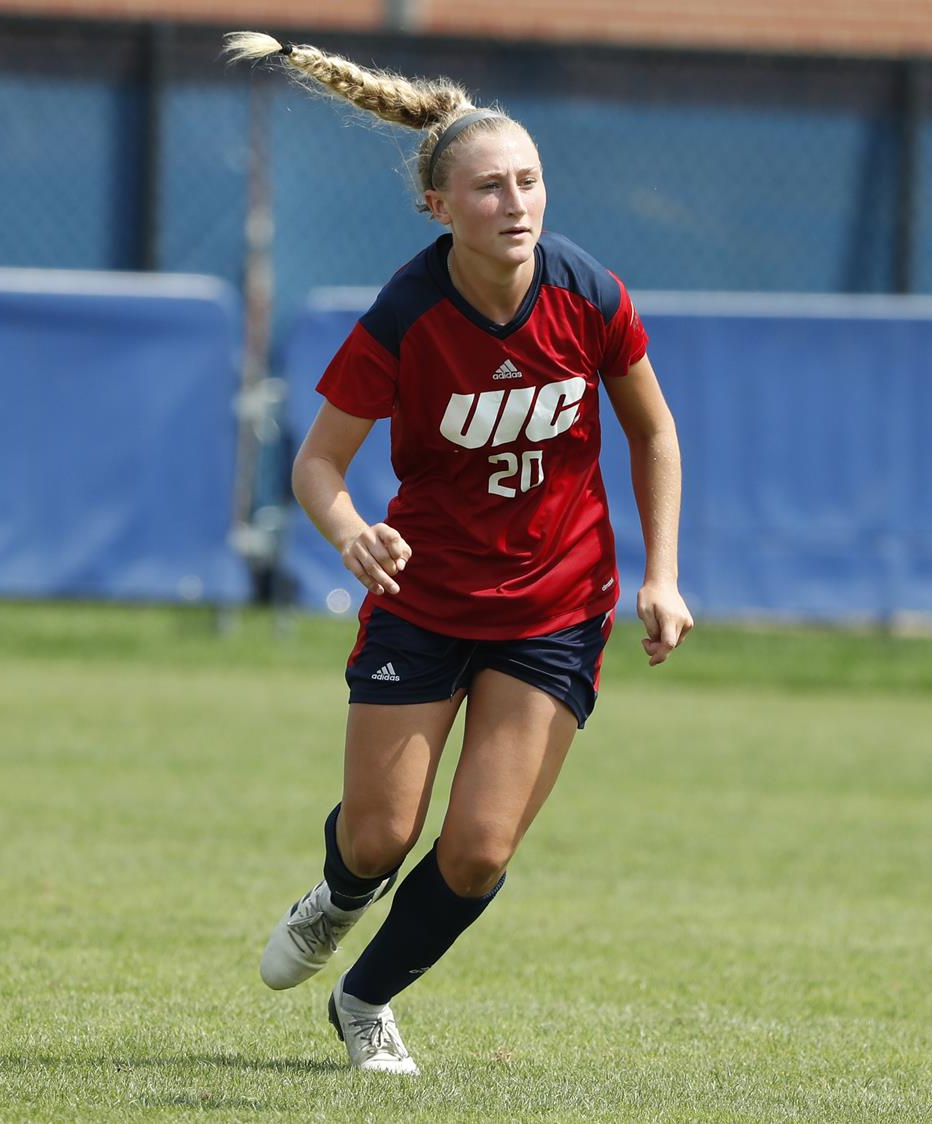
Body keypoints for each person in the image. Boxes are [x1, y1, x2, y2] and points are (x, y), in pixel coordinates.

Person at [226, 32, 692, 1076]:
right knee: (379, 838)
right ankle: (340, 893)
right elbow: (316, 463)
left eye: (528, 180)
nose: (516, 203)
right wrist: (352, 532)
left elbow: (653, 431)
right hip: (425, 598)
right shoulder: (406, 315)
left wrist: (661, 575)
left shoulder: (588, 291)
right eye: (488, 187)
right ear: (438, 206)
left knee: (480, 848)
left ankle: (364, 999)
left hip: (555, 603)